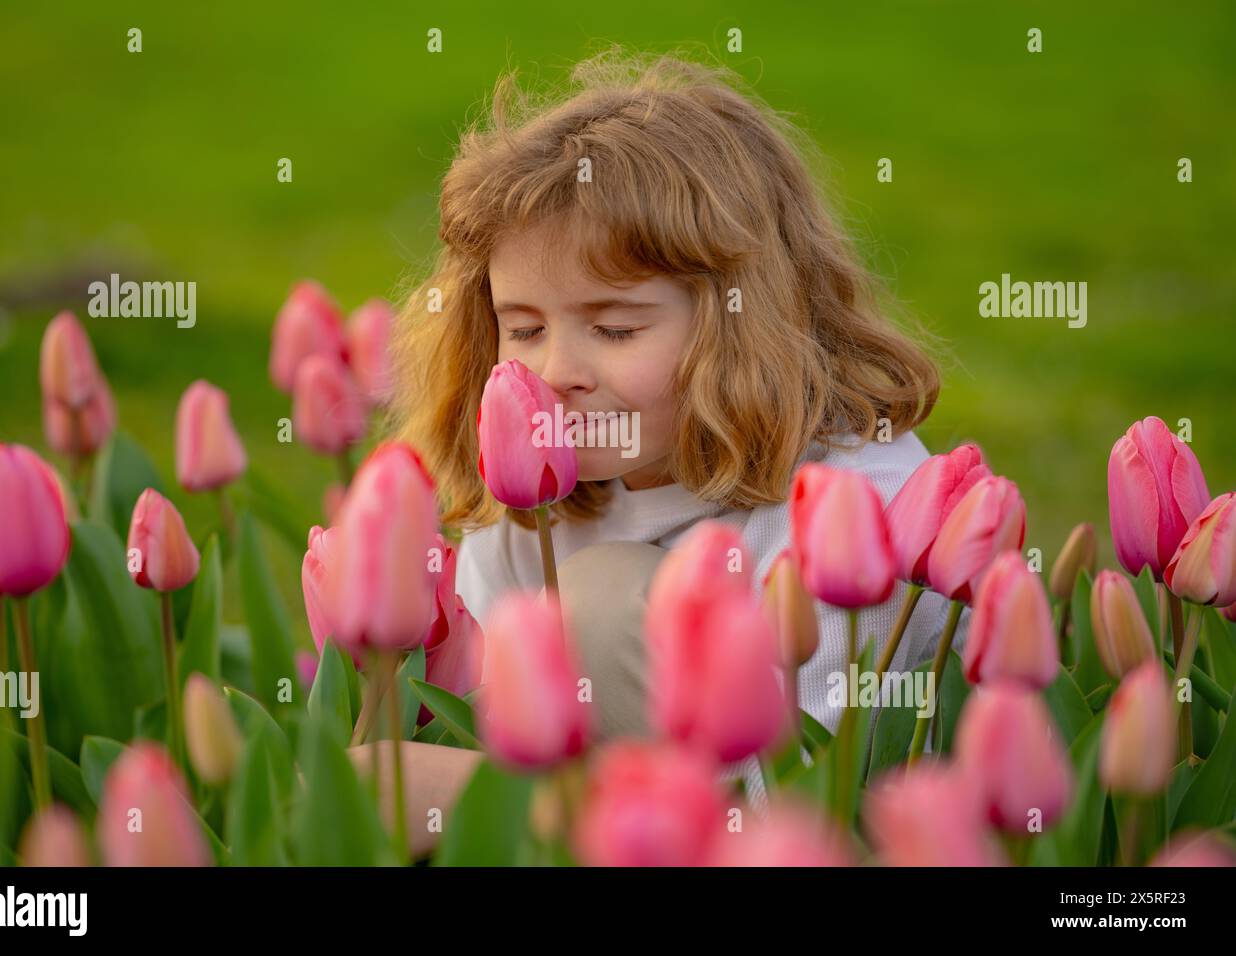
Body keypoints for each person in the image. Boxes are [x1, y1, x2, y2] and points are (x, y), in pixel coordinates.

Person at [374, 49, 964, 858]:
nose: (559, 373)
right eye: (525, 327)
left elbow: (811, 818)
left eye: (615, 329)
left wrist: (497, 802)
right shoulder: (532, 513)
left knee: (607, 597)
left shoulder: (848, 511)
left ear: (740, 324)